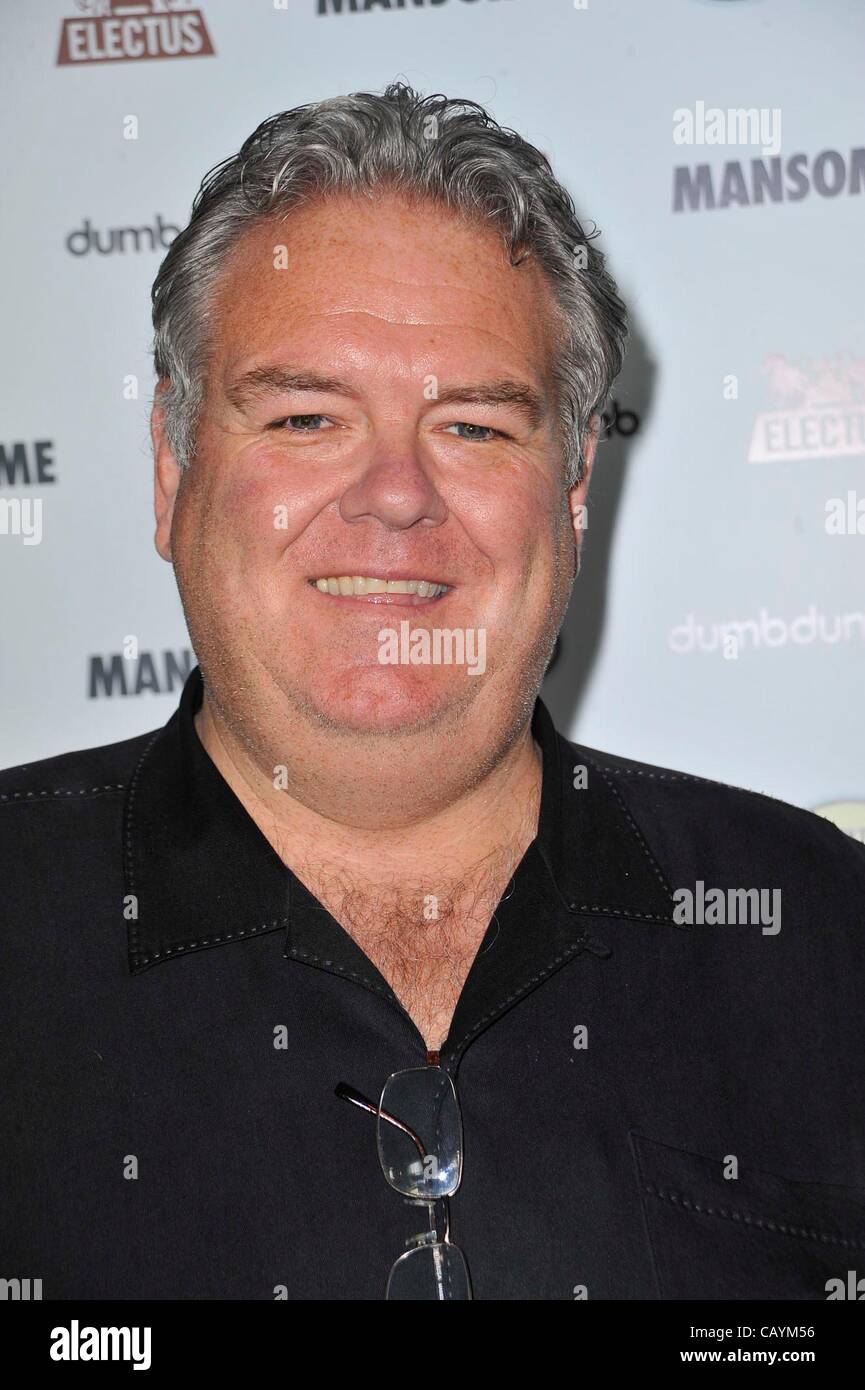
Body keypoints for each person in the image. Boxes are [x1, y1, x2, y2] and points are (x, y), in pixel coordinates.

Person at [2, 83, 863, 1302]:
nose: (396, 495)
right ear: (170, 472)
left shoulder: (823, 935)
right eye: (305, 417)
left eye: (472, 428)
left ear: (571, 497)